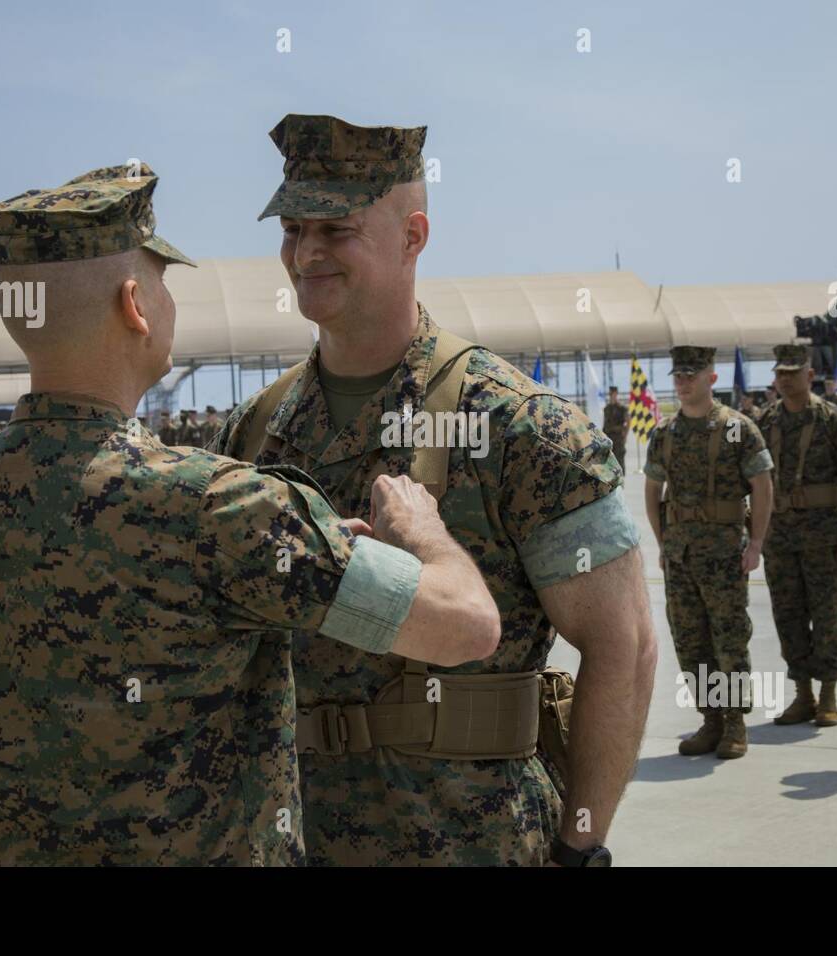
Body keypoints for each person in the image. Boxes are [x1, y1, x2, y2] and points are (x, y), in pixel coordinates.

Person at [0, 161, 499, 866]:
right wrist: (420, 530)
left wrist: (300, 551)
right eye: (163, 280)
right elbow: (465, 626)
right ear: (135, 304)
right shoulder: (222, 507)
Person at [213, 114, 656, 867]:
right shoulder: (254, 433)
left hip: (471, 841)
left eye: (336, 229)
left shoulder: (521, 426)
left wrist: (580, 846)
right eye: (293, 228)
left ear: (413, 236)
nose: (305, 252)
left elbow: (625, 645)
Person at [644, 346, 773, 759]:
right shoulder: (665, 434)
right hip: (681, 554)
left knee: (730, 639)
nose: (682, 383)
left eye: (690, 376)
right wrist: (663, 543)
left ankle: (735, 723)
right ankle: (710, 719)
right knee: (690, 641)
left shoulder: (738, 429)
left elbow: (763, 486)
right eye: (678, 376)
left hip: (724, 553)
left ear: (711, 379)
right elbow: (652, 491)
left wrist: (755, 543)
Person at [756, 345, 837, 727]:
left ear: (810, 376)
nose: (784, 379)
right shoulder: (764, 422)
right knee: (788, 616)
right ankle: (803, 693)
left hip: (824, 535)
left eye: (793, 373)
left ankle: (829, 692)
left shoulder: (835, 420)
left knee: (825, 614)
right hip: (779, 536)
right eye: (780, 372)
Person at [603, 386, 630, 472]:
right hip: (608, 437)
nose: (612, 396)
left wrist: (625, 436)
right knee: (609, 461)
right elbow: (605, 423)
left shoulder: (622, 408)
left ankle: (621, 481)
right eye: (610, 394)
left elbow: (628, 422)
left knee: (619, 460)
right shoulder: (606, 408)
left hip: (618, 438)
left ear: (616, 394)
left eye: (613, 394)